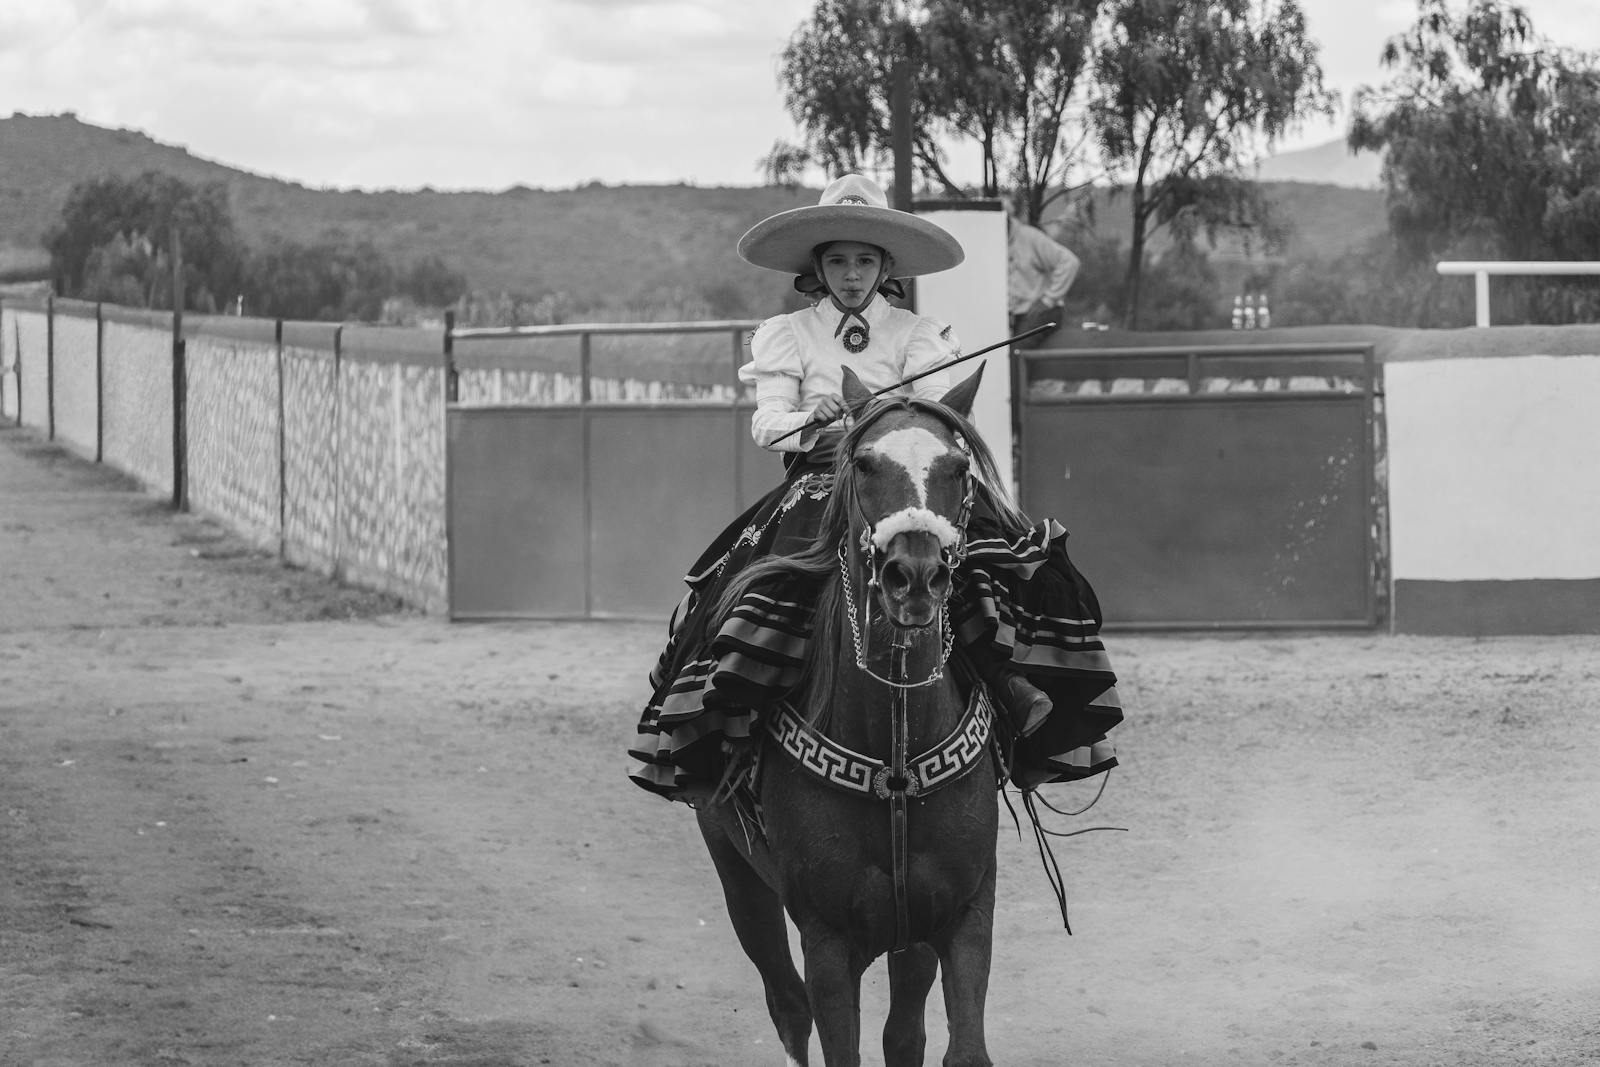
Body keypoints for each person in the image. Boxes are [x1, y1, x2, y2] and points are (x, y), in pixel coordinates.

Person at [628, 174, 1121, 804]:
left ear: (886, 265)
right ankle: (740, 731)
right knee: (747, 590)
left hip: (910, 474)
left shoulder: (920, 332)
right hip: (823, 481)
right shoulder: (787, 332)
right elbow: (766, 426)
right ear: (818, 267)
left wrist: (897, 421)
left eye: (864, 260)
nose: (852, 274)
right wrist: (810, 418)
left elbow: (943, 414)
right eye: (838, 260)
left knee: (999, 564)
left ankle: (1012, 693)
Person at [1007, 200, 1080, 350]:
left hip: (1040, 312)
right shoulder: (997, 242)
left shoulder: (1029, 236)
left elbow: (1069, 262)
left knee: (1017, 350)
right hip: (1017, 314)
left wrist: (1049, 299)